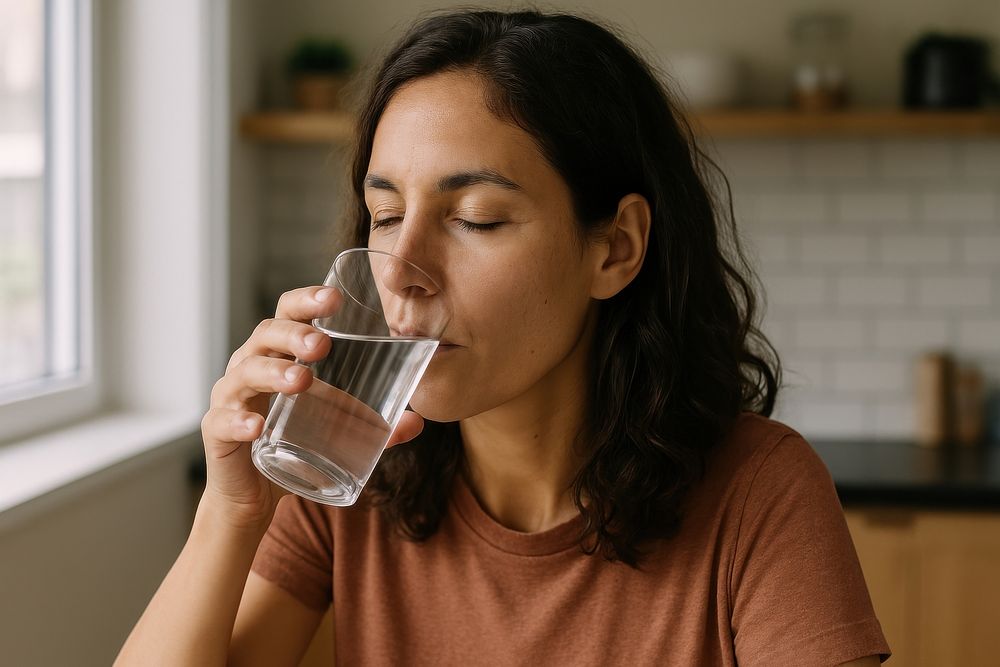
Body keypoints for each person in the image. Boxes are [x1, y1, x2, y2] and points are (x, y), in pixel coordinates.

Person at [117, 9, 890, 666]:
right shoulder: (354, 471)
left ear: (614, 248)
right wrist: (229, 511)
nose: (403, 270)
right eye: (386, 216)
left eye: (475, 218)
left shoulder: (760, 492)